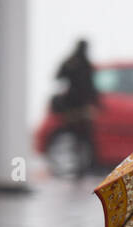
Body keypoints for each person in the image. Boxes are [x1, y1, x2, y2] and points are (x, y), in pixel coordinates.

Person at [54, 39, 98, 179]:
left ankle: (81, 167)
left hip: (76, 106)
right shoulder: (80, 64)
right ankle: (79, 167)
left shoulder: (80, 63)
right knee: (79, 137)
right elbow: (58, 77)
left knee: (82, 138)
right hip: (75, 107)